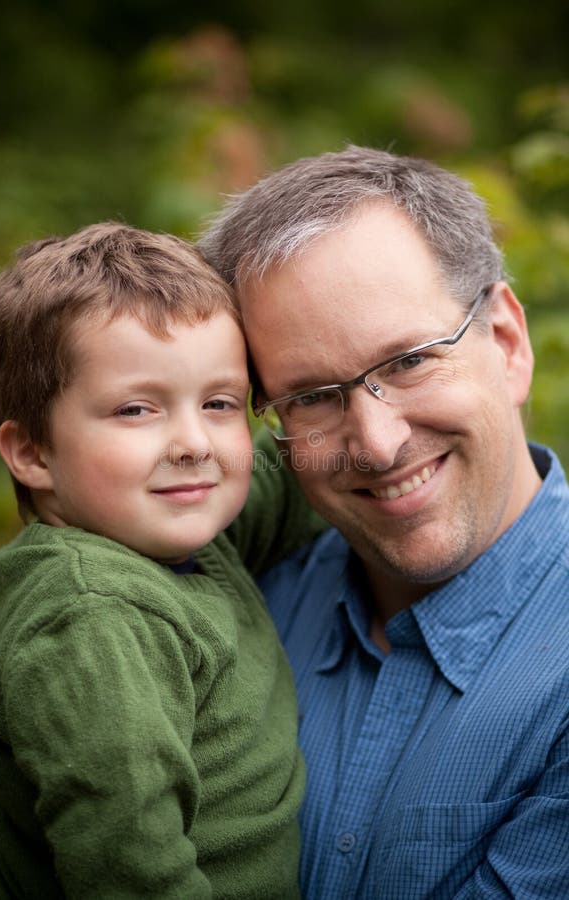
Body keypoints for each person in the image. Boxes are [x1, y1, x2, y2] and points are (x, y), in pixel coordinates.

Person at [199, 146, 569, 898]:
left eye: (407, 361)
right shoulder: (238, 610)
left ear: (506, 342)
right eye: (311, 396)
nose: (376, 442)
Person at [0, 222, 315, 899]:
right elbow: (129, 872)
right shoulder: (92, 620)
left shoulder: (182, 540)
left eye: (220, 404)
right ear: (34, 452)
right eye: (135, 409)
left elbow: (307, 467)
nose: (193, 443)